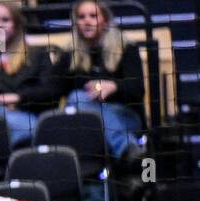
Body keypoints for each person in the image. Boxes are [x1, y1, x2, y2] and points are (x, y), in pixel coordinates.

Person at [58, 0, 145, 161]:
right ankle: (127, 149)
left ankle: (127, 151)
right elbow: (55, 88)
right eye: (81, 17)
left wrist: (114, 86)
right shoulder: (70, 53)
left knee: (79, 98)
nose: (87, 21)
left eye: (93, 16)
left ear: (105, 20)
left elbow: (137, 89)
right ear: (76, 22)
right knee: (77, 99)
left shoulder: (126, 47)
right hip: (86, 122)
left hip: (124, 117)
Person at [0, 1, 60, 147]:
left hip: (29, 120)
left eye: (5, 20)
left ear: (16, 24)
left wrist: (17, 98)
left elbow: (50, 93)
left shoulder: (38, 55)